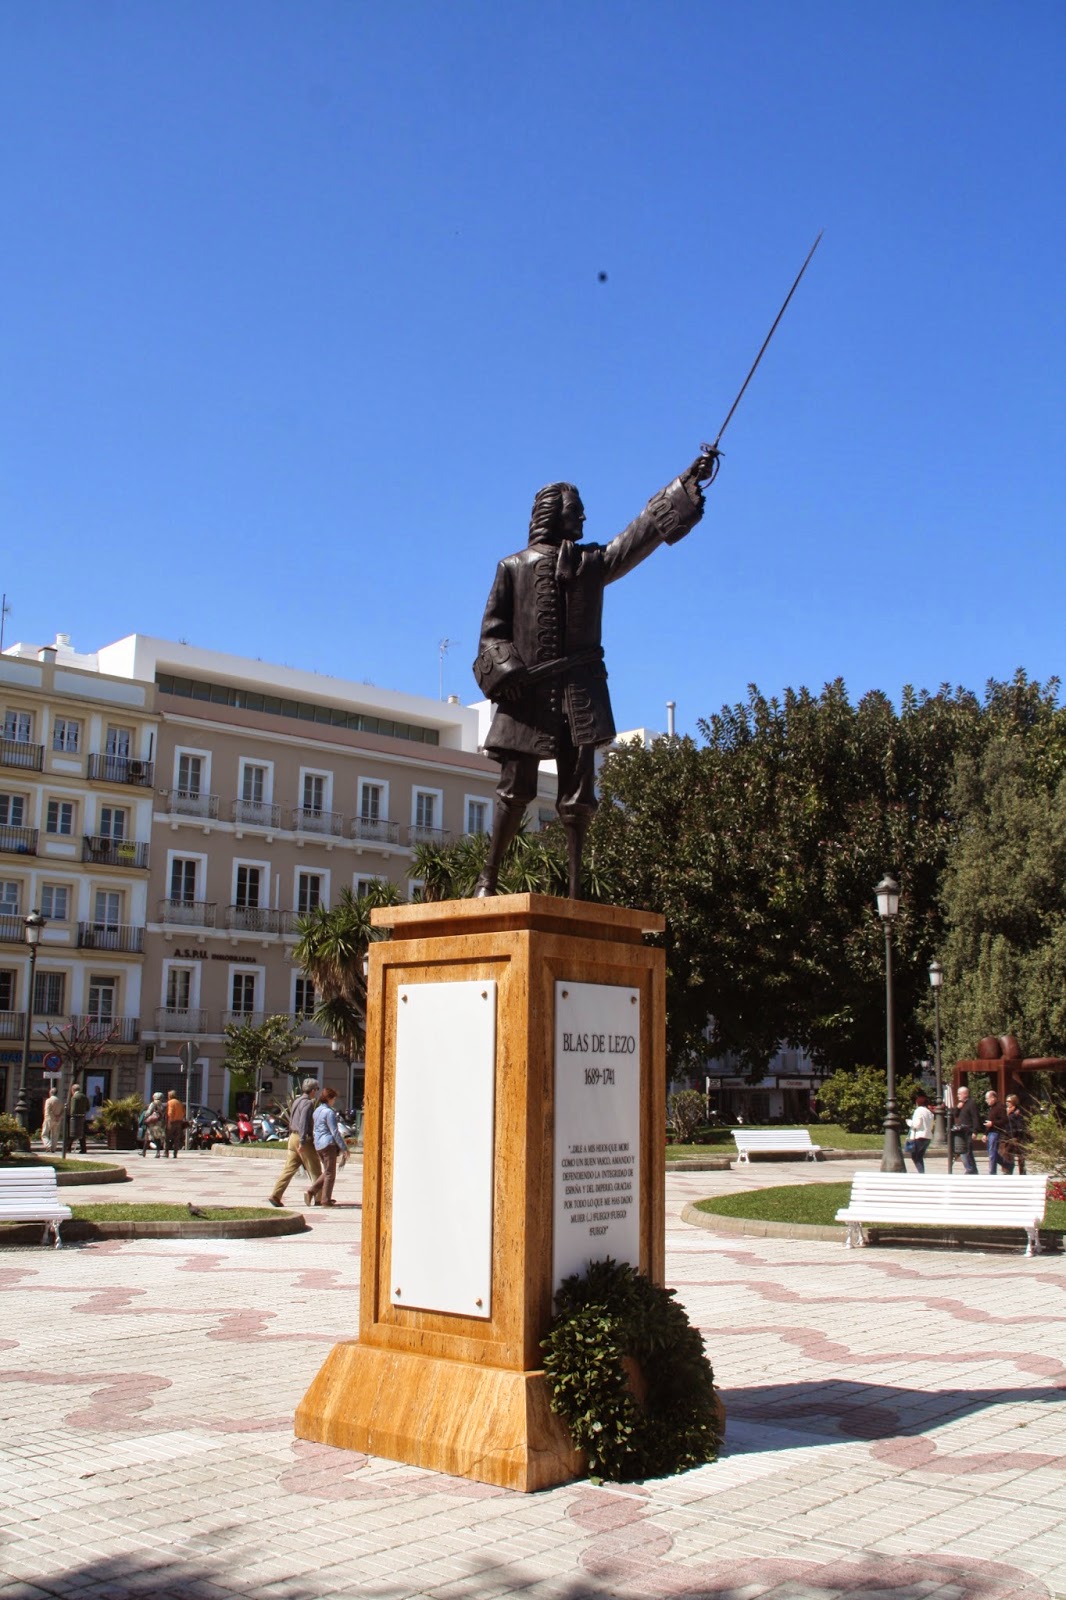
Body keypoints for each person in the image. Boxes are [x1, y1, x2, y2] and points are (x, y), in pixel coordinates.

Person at [472, 457, 714, 898]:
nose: (582, 516)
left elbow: (638, 536)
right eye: (574, 509)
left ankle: (576, 891)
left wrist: (684, 484)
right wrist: (509, 671)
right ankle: (487, 877)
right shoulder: (512, 567)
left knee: (579, 800)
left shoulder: (592, 563)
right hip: (527, 699)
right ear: (552, 515)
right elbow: (491, 635)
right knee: (513, 792)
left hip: (580, 695)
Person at [268, 1079, 322, 1207]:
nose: (317, 1092)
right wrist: (303, 1142)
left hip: (292, 1137)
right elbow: (303, 1122)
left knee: (289, 1169)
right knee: (315, 1169)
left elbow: (292, 1119)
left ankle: (276, 1195)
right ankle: (319, 1198)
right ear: (313, 1090)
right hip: (302, 1138)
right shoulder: (308, 1103)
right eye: (317, 1089)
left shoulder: (297, 1101)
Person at [305, 1086, 348, 1207]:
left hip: (318, 1144)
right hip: (328, 1144)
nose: (334, 1101)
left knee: (328, 1171)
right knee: (330, 1173)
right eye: (333, 1098)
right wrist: (344, 1148)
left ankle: (320, 1196)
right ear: (329, 1098)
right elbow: (334, 1131)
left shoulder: (317, 1111)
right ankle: (322, 1198)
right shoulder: (329, 1112)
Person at [951, 1085, 980, 1175]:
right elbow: (954, 1114)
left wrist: (975, 1131)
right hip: (961, 1132)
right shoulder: (961, 1104)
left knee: (966, 1151)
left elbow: (976, 1118)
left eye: (959, 1094)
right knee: (965, 1151)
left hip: (969, 1130)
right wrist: (958, 1108)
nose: (958, 1095)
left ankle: (970, 1169)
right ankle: (972, 1170)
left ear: (965, 1094)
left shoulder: (971, 1103)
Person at [904, 1091, 934, 1173]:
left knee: (915, 1156)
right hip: (928, 1136)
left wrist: (909, 1122)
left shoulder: (918, 1111)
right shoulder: (929, 1112)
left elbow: (917, 1125)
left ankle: (921, 1172)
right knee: (919, 1156)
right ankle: (921, 1172)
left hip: (919, 1136)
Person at [983, 1089, 1011, 1174]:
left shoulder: (1000, 1107)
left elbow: (1004, 1120)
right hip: (991, 1132)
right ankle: (1007, 1164)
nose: (986, 1101)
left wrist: (993, 1123)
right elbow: (989, 1122)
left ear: (993, 1098)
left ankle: (992, 1172)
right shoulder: (992, 1108)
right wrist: (985, 1134)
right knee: (991, 1152)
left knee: (992, 1153)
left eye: (987, 1098)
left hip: (996, 1132)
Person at [1004, 1093, 1028, 1174]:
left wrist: (1013, 1115)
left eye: (1009, 1101)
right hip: (1008, 1136)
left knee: (1020, 1157)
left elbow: (1019, 1123)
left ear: (1013, 1102)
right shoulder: (1006, 1111)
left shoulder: (1018, 1111)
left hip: (1018, 1137)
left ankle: (1022, 1173)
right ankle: (1008, 1171)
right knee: (1008, 1155)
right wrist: (1007, 1114)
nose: (1007, 1102)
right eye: (1006, 1101)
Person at [140, 1091, 166, 1158]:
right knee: (157, 1139)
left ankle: (144, 1152)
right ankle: (158, 1152)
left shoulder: (153, 1104)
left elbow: (148, 1112)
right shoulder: (162, 1105)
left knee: (148, 1138)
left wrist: (145, 1118)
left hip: (152, 1124)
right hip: (159, 1124)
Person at [68, 1081, 89, 1155]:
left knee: (72, 1133)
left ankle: (68, 1148)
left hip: (75, 1118)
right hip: (82, 1116)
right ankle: (83, 1149)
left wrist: (71, 1115)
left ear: (73, 1090)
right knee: (81, 1133)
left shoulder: (74, 1097)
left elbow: (73, 1109)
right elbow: (88, 1107)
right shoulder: (84, 1096)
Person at [165, 1088, 186, 1158]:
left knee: (167, 1138)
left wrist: (169, 1121)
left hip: (172, 1122)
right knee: (176, 1139)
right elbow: (183, 1113)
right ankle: (175, 1153)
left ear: (170, 1096)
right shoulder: (180, 1103)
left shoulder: (170, 1102)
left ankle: (166, 1152)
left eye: (168, 1095)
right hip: (179, 1122)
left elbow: (170, 1113)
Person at [40, 1088, 63, 1152]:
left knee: (44, 1134)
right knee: (55, 1135)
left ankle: (48, 1145)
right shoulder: (60, 1101)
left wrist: (53, 1116)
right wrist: (58, 1117)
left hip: (49, 1119)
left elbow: (47, 1110)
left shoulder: (48, 1100)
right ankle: (53, 1149)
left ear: (51, 1092)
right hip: (58, 1120)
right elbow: (63, 1111)